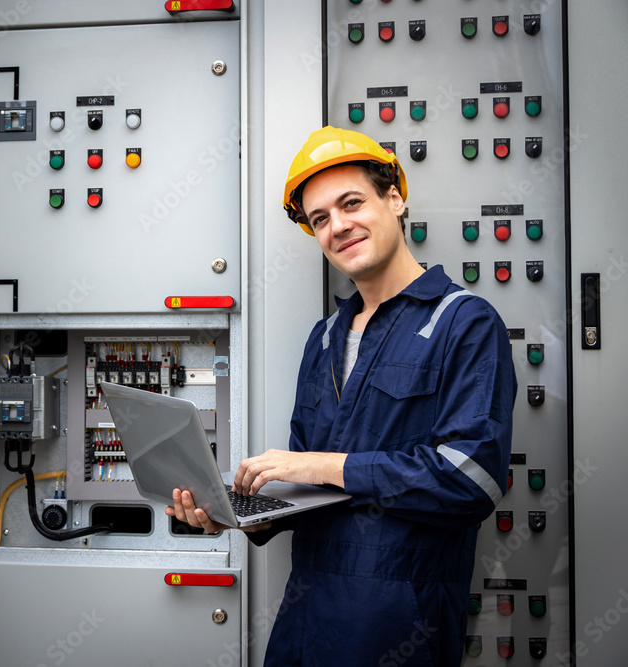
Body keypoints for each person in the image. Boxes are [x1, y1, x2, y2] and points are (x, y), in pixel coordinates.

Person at [167, 126, 517, 666]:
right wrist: (236, 515)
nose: (338, 227)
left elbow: (472, 478)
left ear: (395, 198)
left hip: (400, 629)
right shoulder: (326, 336)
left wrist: (323, 465)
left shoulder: (463, 322)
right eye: (320, 219)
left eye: (351, 203)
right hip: (304, 627)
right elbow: (307, 487)